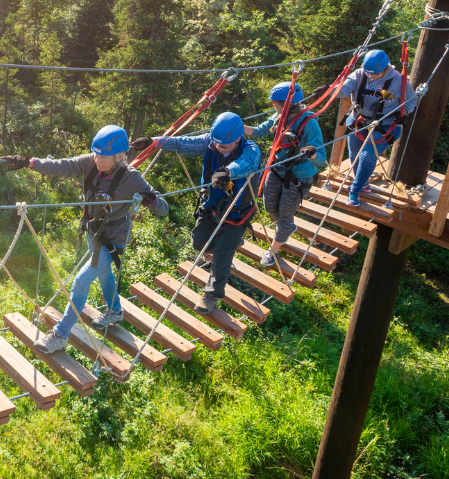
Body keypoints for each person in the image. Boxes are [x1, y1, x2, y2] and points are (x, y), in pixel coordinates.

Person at [2, 125, 168, 354]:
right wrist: (30, 162)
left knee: (81, 281)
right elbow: (63, 165)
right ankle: (115, 310)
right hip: (93, 232)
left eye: (104, 156)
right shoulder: (90, 162)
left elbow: (163, 209)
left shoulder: (131, 178)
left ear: (119, 156)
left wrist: (152, 201)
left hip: (113, 240)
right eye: (96, 153)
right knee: (103, 274)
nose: (98, 159)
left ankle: (60, 335)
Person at [129, 112, 261, 315]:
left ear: (237, 138)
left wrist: (227, 173)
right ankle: (229, 245)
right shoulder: (211, 142)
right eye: (216, 143)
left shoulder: (250, 149)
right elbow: (183, 143)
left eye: (224, 145)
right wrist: (153, 142)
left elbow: (245, 164)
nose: (218, 147)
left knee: (222, 255)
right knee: (199, 243)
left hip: (236, 213)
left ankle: (212, 294)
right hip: (211, 206)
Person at [311, 49, 416, 207]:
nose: (371, 76)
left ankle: (355, 189)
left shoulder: (399, 81)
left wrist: (403, 113)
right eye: (369, 73)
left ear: (385, 69)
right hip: (358, 122)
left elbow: (411, 101)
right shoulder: (360, 75)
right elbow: (345, 88)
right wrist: (329, 91)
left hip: (384, 126)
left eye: (375, 74)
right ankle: (363, 183)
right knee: (355, 154)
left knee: (367, 156)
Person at [245, 82, 327, 267]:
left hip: (299, 177)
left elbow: (321, 158)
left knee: (284, 215)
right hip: (277, 169)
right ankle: (287, 227)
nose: (273, 105)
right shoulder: (278, 117)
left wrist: (312, 153)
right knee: (270, 208)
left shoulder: (310, 124)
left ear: (286, 104)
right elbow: (259, 131)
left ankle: (273, 251)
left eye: (275, 102)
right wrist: (238, 127)